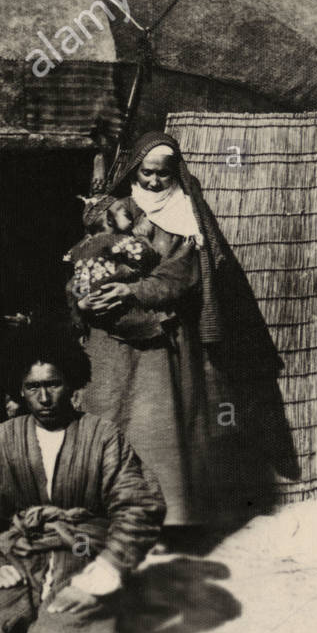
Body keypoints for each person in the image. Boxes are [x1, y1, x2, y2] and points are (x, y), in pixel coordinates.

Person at [75, 131, 281, 532]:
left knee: (159, 428)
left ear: (175, 175)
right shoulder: (118, 209)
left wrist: (131, 289)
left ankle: (166, 517)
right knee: (111, 417)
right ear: (135, 170)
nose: (153, 182)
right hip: (113, 340)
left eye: (162, 175)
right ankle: (112, 512)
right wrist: (83, 297)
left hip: (164, 340)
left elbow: (181, 276)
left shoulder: (186, 215)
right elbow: (89, 256)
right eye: (147, 173)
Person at [0, 326, 165, 633]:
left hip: (85, 552)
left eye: (53, 384)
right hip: (22, 552)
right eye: (33, 387)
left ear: (72, 383)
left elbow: (139, 505)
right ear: (20, 389)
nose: (44, 398)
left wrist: (107, 569)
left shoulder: (102, 436)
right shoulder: (0, 440)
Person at [64, 195, 162, 342]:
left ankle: (80, 326)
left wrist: (81, 303)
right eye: (122, 210)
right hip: (115, 305)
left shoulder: (81, 246)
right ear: (110, 220)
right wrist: (142, 236)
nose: (127, 213)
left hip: (92, 305)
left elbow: (78, 281)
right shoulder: (113, 240)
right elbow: (146, 255)